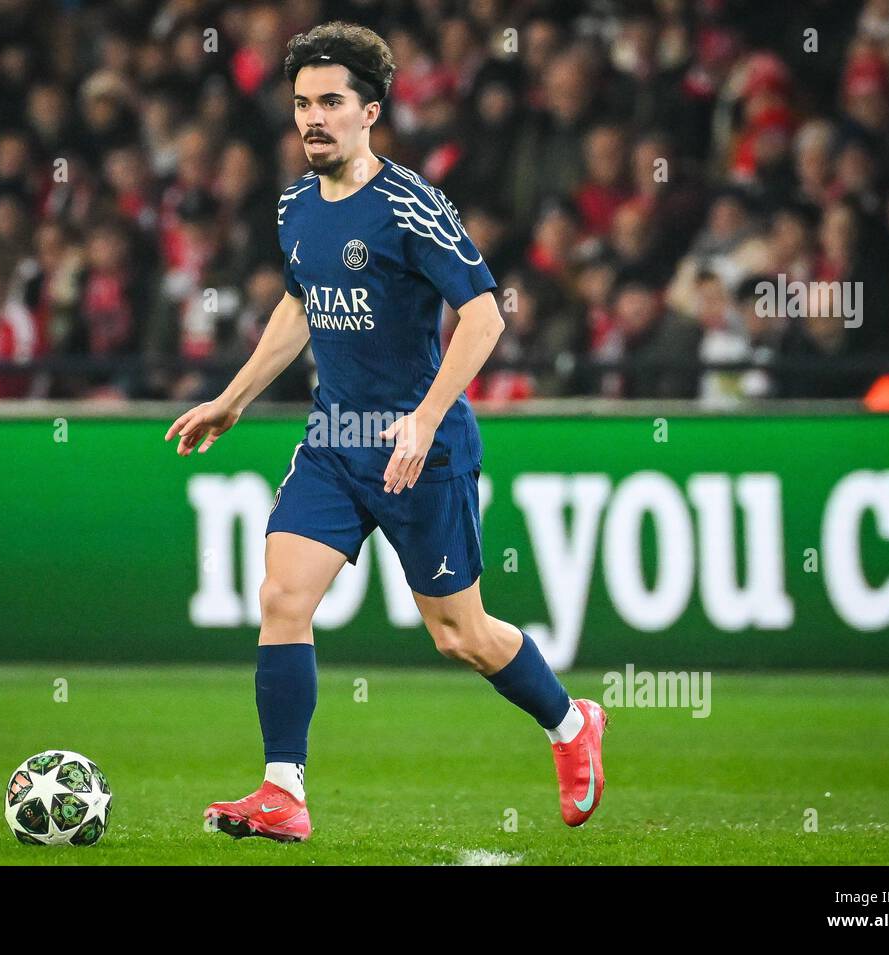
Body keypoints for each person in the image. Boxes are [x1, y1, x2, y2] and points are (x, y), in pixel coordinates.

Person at [165, 22, 607, 843]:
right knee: (282, 594)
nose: (313, 119)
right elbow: (299, 306)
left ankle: (571, 724)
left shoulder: (410, 203)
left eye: (331, 102)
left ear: (371, 110)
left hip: (422, 452)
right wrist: (232, 396)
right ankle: (282, 790)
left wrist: (426, 416)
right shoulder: (295, 204)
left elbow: (482, 316)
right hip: (335, 441)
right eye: (302, 103)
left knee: (459, 634)